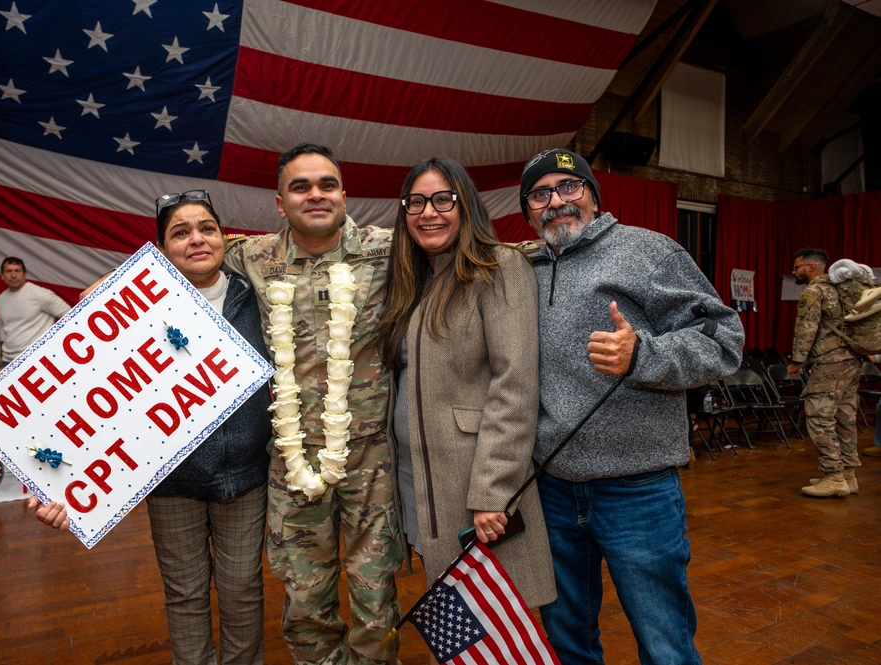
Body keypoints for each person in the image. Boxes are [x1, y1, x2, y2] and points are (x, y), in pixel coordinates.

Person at [520, 148, 744, 665]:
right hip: (551, 487)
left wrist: (644, 353)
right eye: (540, 193)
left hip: (638, 488)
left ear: (594, 198)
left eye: (568, 187)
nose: (556, 202)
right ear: (529, 210)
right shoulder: (521, 270)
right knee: (567, 639)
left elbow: (725, 337)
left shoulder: (648, 250)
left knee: (663, 642)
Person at [30, 191, 273, 665]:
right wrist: (54, 483)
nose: (197, 239)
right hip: (169, 481)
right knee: (184, 595)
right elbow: (86, 401)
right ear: (160, 251)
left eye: (207, 228)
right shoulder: (127, 308)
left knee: (242, 590)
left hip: (245, 475)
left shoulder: (259, 291)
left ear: (226, 239)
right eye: (180, 233)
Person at [220, 144, 403, 665]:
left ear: (344, 194)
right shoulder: (253, 257)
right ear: (280, 203)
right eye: (301, 187)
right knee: (304, 595)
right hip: (291, 457)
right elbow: (178, 260)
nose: (316, 195)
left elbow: (471, 251)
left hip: (372, 458)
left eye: (327, 184)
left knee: (375, 591)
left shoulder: (389, 248)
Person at [376, 156, 554, 610]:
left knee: (495, 625)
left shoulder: (499, 267)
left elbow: (514, 385)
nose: (428, 212)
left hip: (476, 485)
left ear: (466, 206)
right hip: (419, 481)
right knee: (459, 625)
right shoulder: (412, 281)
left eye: (442, 199)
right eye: (416, 202)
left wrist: (494, 490)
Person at [787, 248, 862, 497]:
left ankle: (833, 476)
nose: (794, 271)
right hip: (852, 360)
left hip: (830, 363)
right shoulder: (843, 288)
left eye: (796, 267)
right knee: (845, 416)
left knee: (819, 415)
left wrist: (797, 360)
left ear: (810, 267)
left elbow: (806, 329)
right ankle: (849, 475)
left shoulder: (814, 291)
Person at [0, 257, 71, 364]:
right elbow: (3, 329)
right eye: (9, 271)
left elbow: (71, 316)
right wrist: (2, 358)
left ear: (25, 274)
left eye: (17, 271)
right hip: (8, 360)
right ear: (2, 276)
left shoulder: (40, 294)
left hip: (36, 360)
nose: (13, 275)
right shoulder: (0, 299)